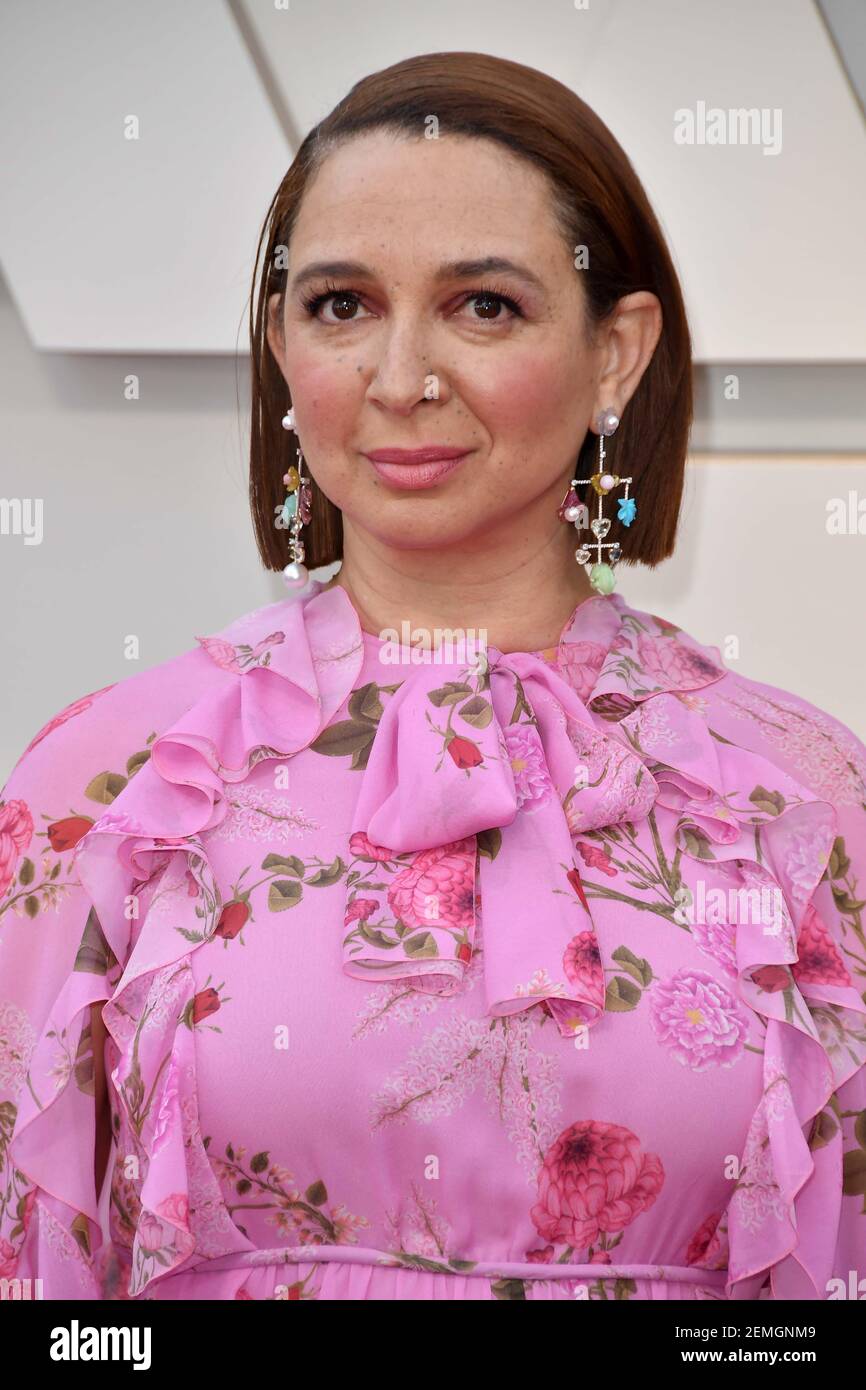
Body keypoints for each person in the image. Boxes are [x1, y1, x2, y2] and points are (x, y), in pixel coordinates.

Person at [1, 51, 864, 1303]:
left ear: (615, 353)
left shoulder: (801, 795)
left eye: (483, 306)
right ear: (281, 343)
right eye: (341, 305)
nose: (400, 379)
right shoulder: (107, 782)